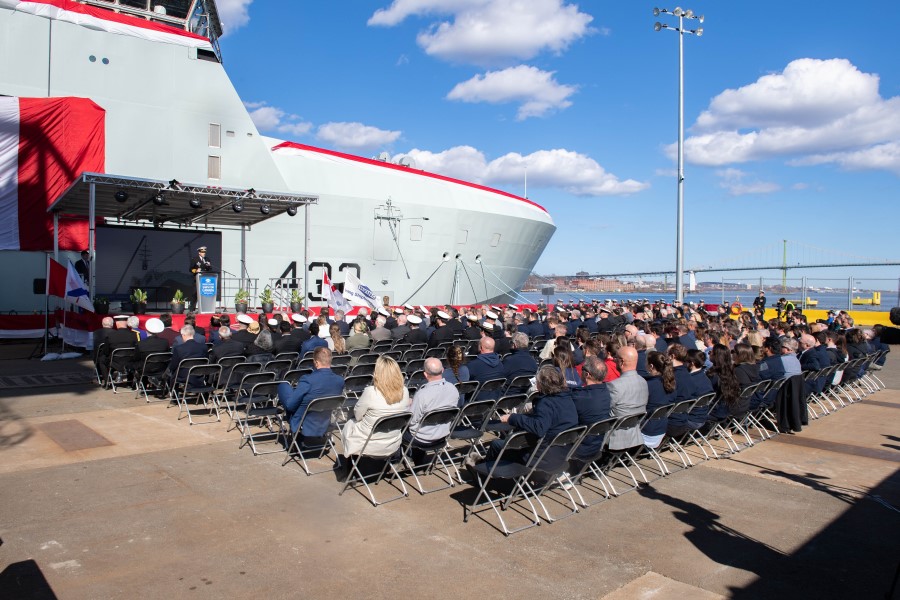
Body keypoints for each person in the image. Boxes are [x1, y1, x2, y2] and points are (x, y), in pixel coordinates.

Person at [488, 365, 579, 472]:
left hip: (541, 457)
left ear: (541, 384)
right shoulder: (567, 398)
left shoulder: (546, 403)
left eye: (537, 381)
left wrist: (513, 418)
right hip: (562, 454)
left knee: (496, 445)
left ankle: (483, 477)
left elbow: (539, 427)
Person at [340, 356, 412, 468]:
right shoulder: (405, 391)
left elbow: (358, 416)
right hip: (392, 442)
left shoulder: (371, 392)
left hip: (369, 442)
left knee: (350, 423)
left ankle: (352, 471)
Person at [277, 347, 345, 438]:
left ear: (316, 362)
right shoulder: (340, 381)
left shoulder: (308, 380)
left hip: (303, 421)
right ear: (330, 361)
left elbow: (290, 406)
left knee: (283, 385)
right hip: (324, 420)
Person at [406, 358, 459, 445]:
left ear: (425, 374)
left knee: (398, 429)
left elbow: (411, 421)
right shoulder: (453, 389)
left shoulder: (422, 394)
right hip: (442, 435)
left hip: (421, 437)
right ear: (442, 370)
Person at [606, 346, 649, 451]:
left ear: (621, 362)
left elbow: (605, 410)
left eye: (615, 358)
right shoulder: (643, 381)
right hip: (635, 437)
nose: (614, 360)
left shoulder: (613, 385)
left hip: (615, 439)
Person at [570, 356, 612, 462]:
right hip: (597, 446)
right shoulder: (607, 392)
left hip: (577, 448)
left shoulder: (578, 397)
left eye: (582, 369)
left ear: (587, 374)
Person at [641, 351, 677, 449]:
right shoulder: (670, 382)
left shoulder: (648, 385)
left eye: (646, 362)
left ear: (651, 366)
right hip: (661, 429)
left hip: (647, 432)